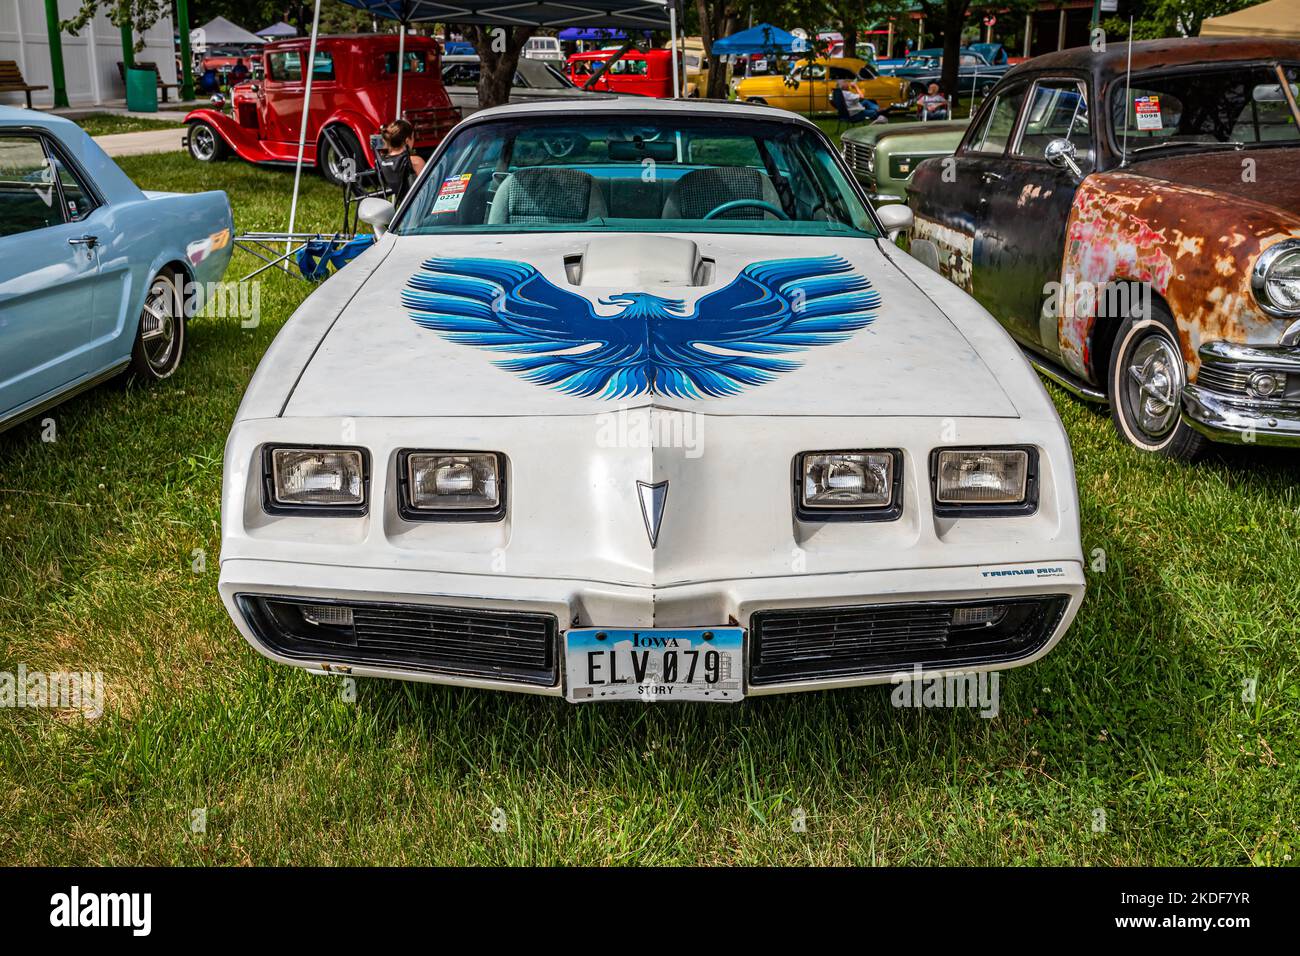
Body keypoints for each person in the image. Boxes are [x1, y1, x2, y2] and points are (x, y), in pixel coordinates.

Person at [375, 119, 426, 205]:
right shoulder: (415, 161)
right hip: (420, 207)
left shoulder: (382, 161)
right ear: (407, 140)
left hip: (403, 208)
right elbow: (430, 187)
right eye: (413, 137)